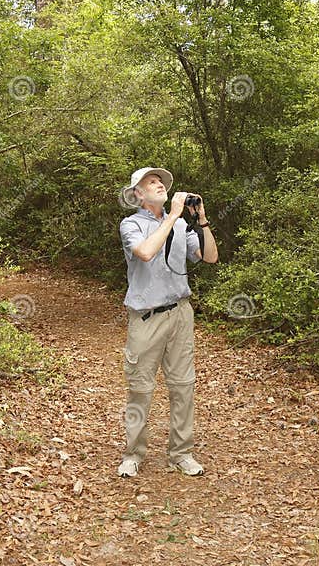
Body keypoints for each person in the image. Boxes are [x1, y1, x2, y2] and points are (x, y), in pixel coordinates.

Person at [117, 166, 218, 478]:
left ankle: (181, 453)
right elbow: (146, 252)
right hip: (146, 318)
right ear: (138, 194)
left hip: (180, 314)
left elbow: (210, 257)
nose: (159, 185)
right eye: (152, 182)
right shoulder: (130, 224)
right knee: (140, 389)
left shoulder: (179, 226)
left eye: (161, 181)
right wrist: (173, 216)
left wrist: (200, 219)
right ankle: (133, 454)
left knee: (183, 387)